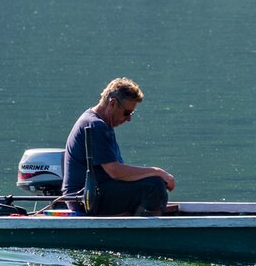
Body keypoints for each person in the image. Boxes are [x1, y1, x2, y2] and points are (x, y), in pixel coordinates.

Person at [62, 78, 176, 216]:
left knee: (154, 184)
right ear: (113, 103)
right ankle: (142, 232)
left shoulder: (102, 124)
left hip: (98, 193)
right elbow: (115, 171)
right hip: (86, 198)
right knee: (154, 186)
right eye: (127, 113)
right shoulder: (96, 125)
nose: (128, 119)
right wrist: (158, 172)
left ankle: (133, 218)